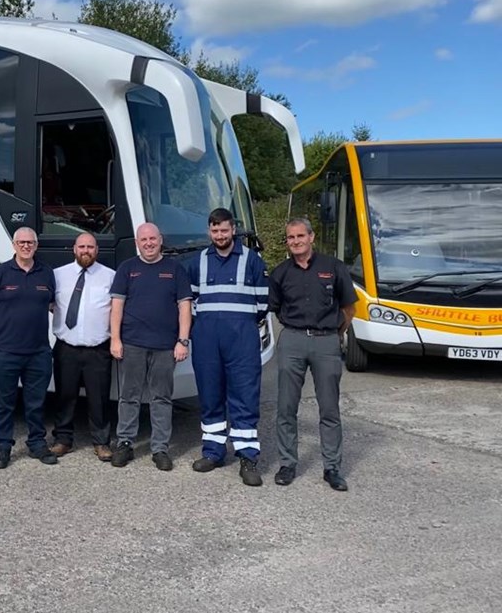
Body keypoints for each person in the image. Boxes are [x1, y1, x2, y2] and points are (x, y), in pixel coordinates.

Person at [268, 217, 357, 492]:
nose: (295, 241)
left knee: (329, 408)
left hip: (326, 341)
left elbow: (349, 308)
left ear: (311, 237)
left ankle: (332, 467)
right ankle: (287, 464)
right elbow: (276, 308)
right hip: (292, 340)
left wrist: (335, 334)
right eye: (290, 238)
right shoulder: (280, 272)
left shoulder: (334, 268)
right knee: (286, 407)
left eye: (300, 236)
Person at [186, 208, 269, 487]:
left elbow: (262, 305)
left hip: (242, 340)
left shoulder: (253, 260)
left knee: (244, 397)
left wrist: (238, 325)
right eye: (214, 230)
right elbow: (190, 303)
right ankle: (213, 452)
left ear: (233, 229)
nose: (220, 235)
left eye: (224, 230)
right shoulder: (197, 262)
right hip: (207, 341)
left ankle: (247, 458)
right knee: (210, 397)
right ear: (209, 232)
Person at [110, 223, 192, 471]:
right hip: (132, 343)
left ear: (160, 240)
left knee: (162, 398)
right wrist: (115, 338)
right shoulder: (127, 268)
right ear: (137, 242)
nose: (148, 243)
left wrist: (183, 340)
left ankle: (160, 448)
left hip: (165, 346)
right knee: (129, 397)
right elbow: (116, 307)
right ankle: (124, 442)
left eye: (152, 239)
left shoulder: (175, 269)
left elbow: (184, 307)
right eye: (143, 239)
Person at [0, 227, 58, 469]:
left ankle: (37, 443)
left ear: (36, 245)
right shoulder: (0, 273)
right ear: (14, 245)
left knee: (36, 402)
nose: (26, 246)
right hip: (6, 350)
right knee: (4, 402)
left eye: (30, 242)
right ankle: (3, 445)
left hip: (38, 352)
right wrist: (1, 324)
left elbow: (52, 304)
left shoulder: (46, 273)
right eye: (21, 242)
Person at [49, 232, 116, 461]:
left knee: (99, 398)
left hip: (98, 348)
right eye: (81, 246)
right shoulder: (58, 275)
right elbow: (50, 303)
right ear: (74, 249)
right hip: (66, 347)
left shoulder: (110, 276)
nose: (85, 250)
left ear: (97, 250)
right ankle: (63, 439)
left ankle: (101, 442)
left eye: (90, 247)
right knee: (64, 396)